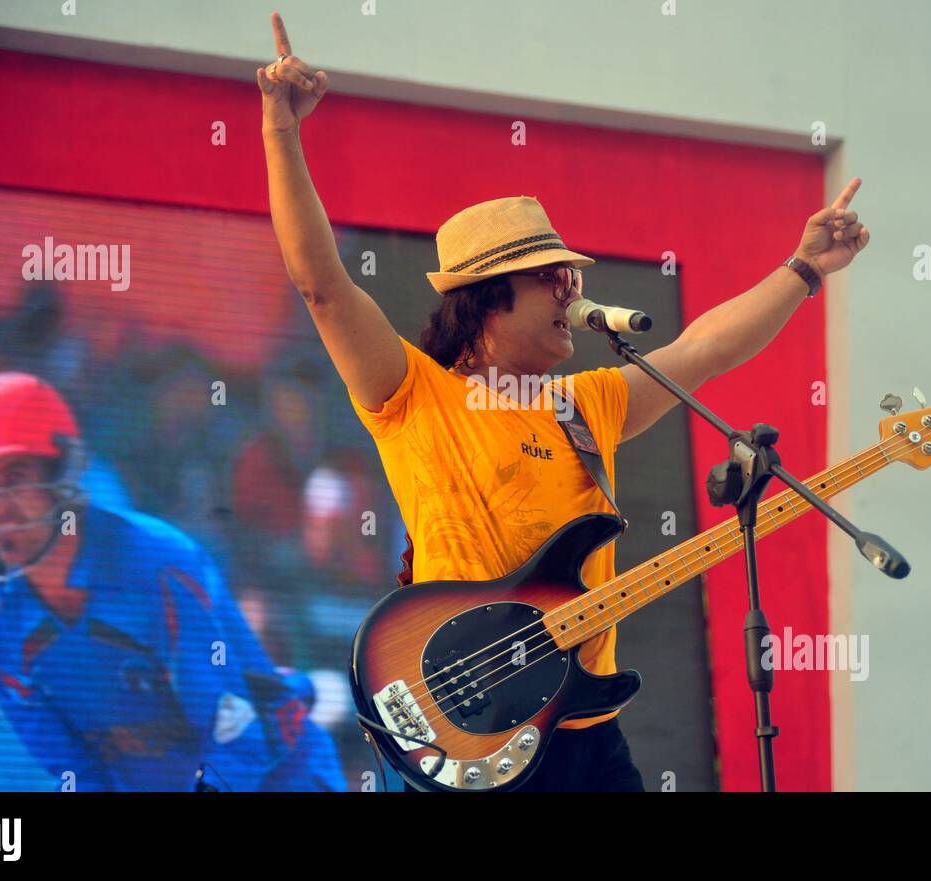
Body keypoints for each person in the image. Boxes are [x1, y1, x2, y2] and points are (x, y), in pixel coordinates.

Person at [257, 11, 869, 791]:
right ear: (486, 300)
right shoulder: (414, 393)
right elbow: (321, 285)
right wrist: (281, 128)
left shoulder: (586, 404)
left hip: (587, 733)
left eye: (571, 274)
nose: (571, 289)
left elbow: (706, 348)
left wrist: (805, 269)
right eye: (550, 276)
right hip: (471, 728)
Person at [0, 371, 345, 791]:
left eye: (16, 477)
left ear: (62, 477)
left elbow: (235, 739)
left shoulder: (156, 564)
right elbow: (75, 770)